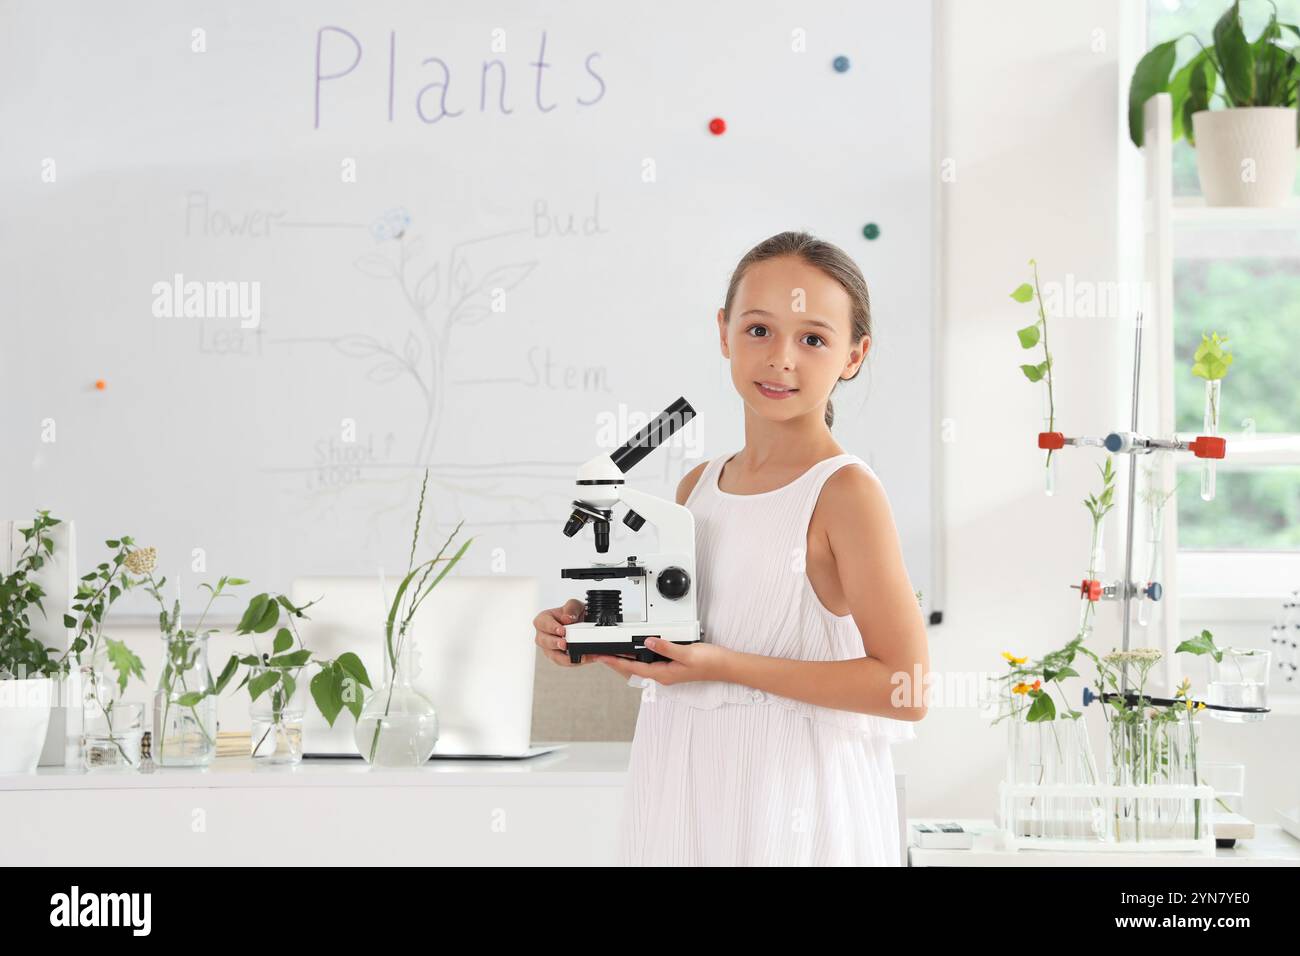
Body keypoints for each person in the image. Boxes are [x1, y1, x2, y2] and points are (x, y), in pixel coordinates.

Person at [532, 230, 930, 865]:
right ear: (724, 332)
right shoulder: (699, 486)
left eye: (813, 339)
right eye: (758, 330)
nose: (780, 359)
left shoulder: (844, 492)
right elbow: (685, 640)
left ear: (854, 355)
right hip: (686, 787)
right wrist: (595, 634)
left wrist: (724, 666)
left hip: (791, 808)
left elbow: (906, 688)